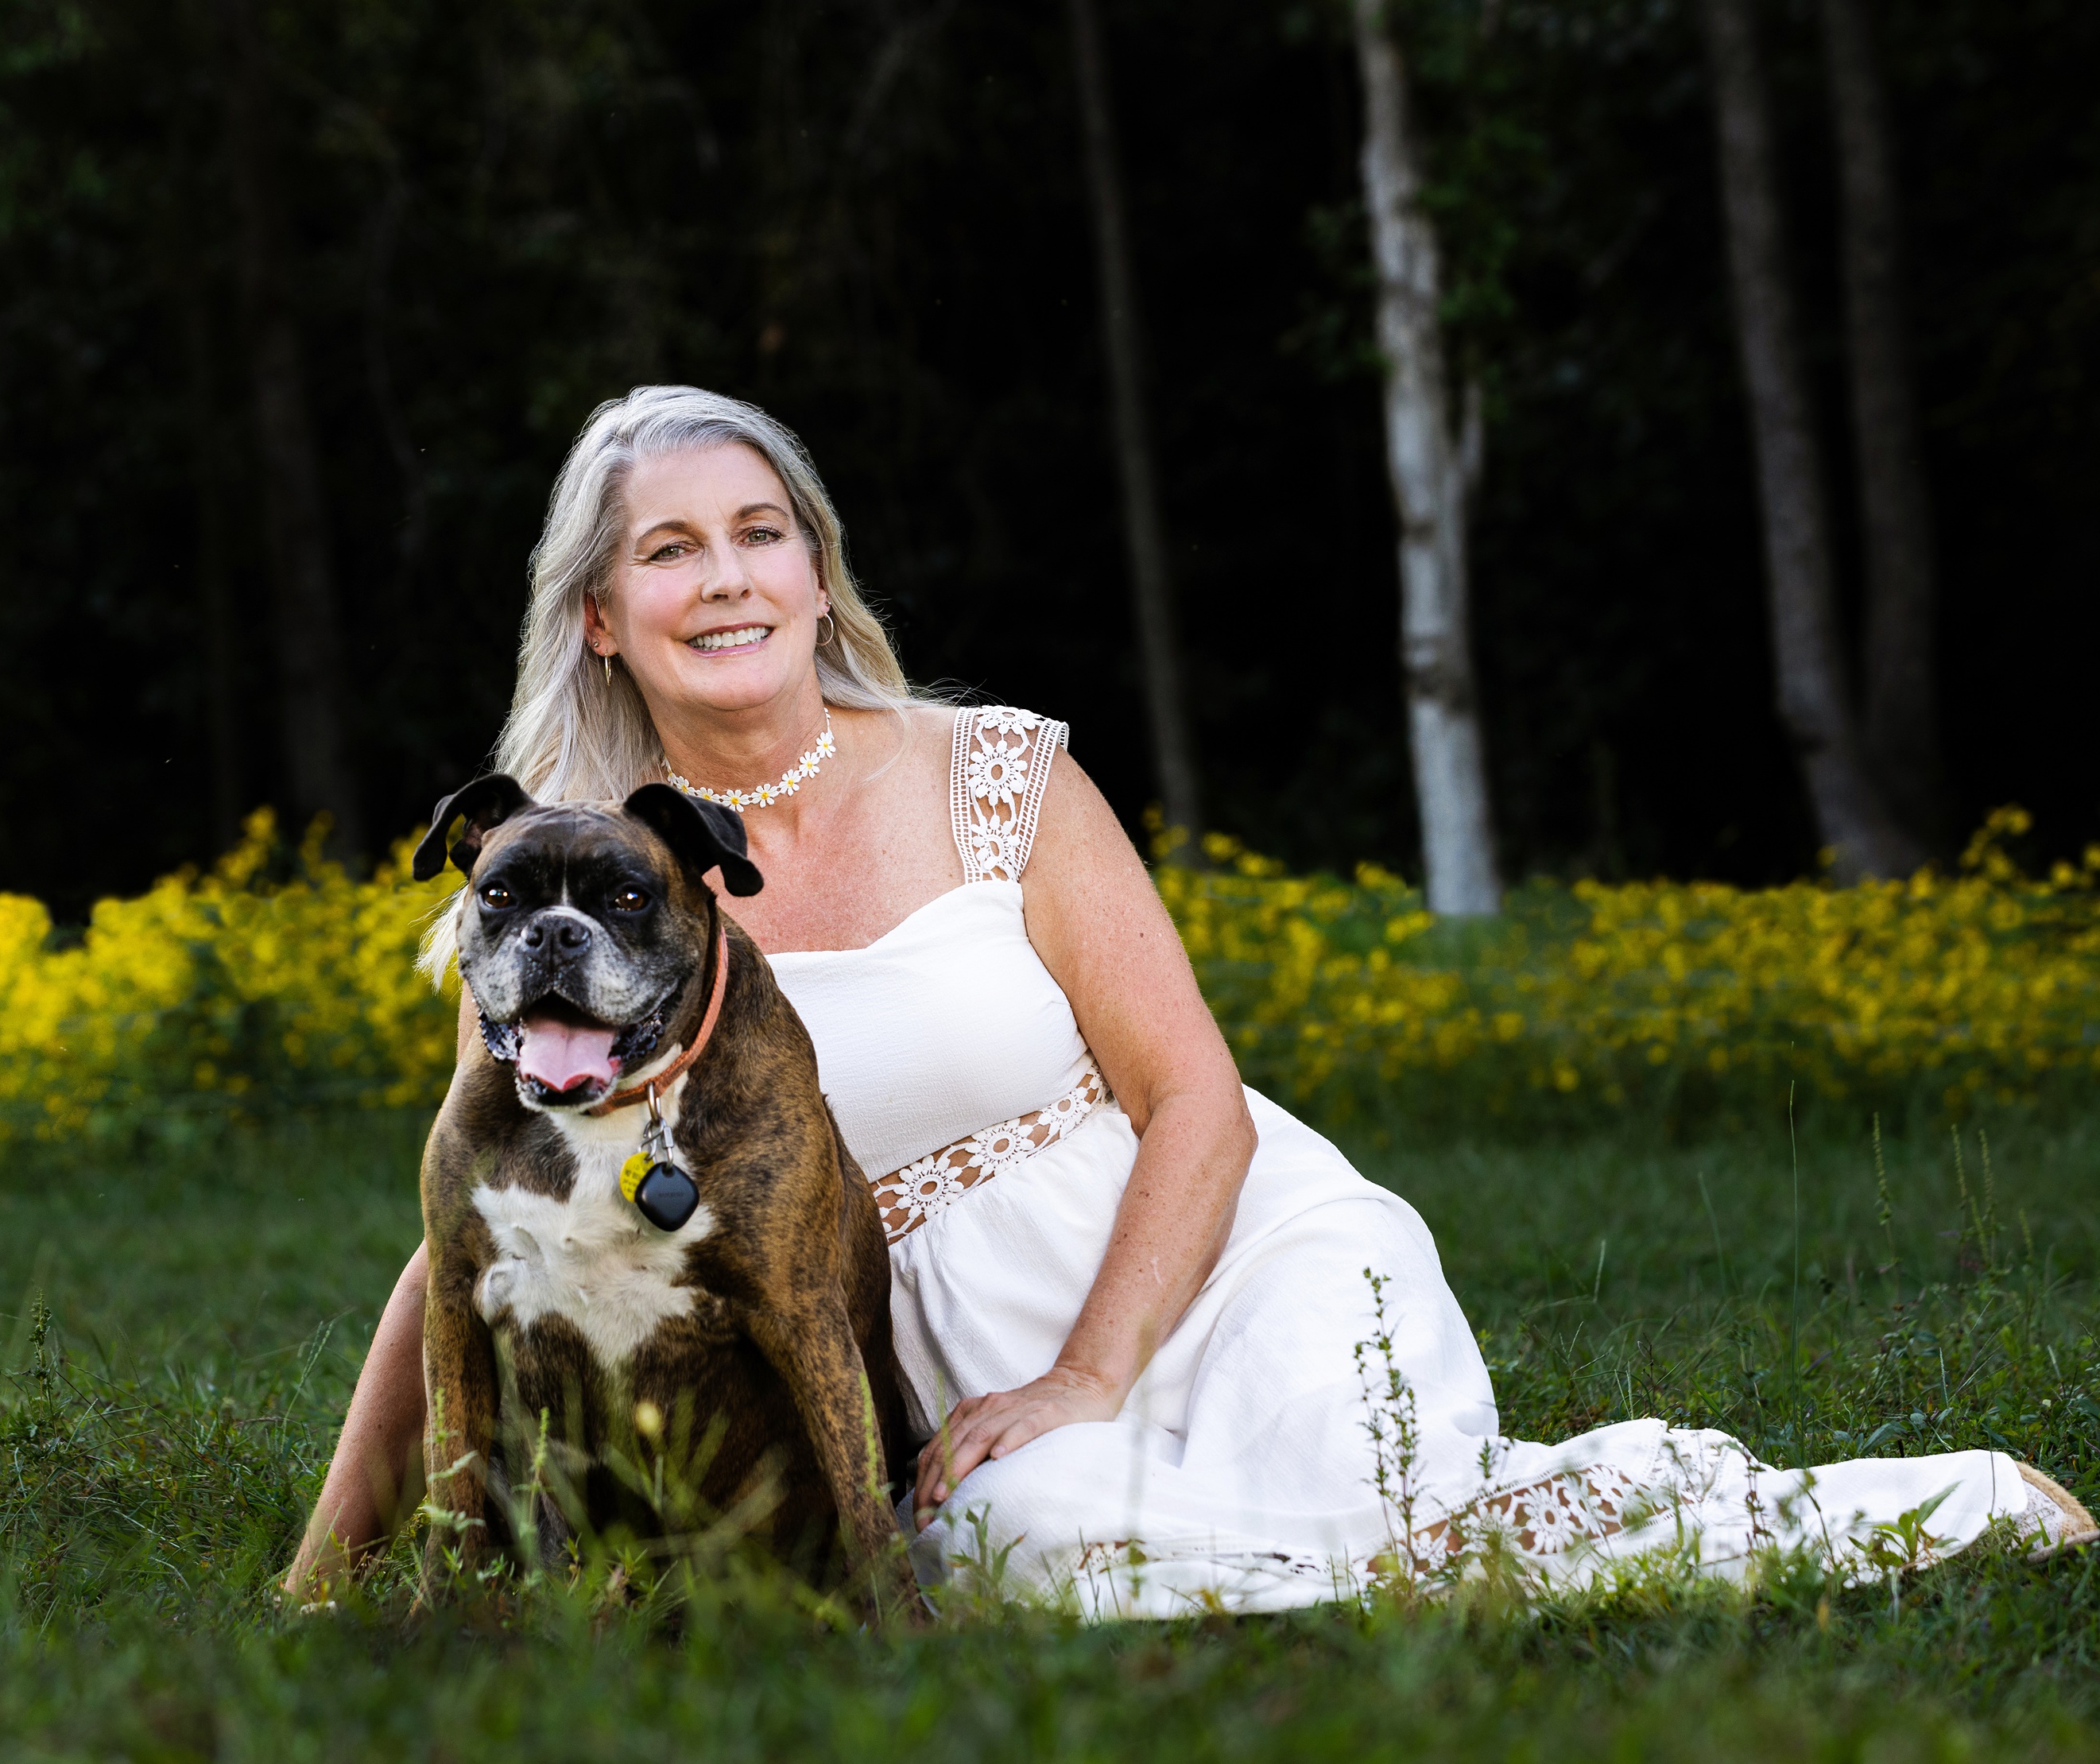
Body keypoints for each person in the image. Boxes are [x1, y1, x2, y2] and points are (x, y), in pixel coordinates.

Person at [287, 385, 2091, 1616]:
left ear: (816, 570)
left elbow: (1196, 1098)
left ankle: (1906, 1510)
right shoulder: (562, 884)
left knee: (1369, 1509)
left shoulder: (997, 770)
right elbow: (473, 1226)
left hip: (1210, 1258)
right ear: (600, 614)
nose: (728, 576)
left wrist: (1094, 1365)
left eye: (761, 533)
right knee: (1042, 1567)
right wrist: (327, 1564)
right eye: (669, 549)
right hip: (932, 1357)